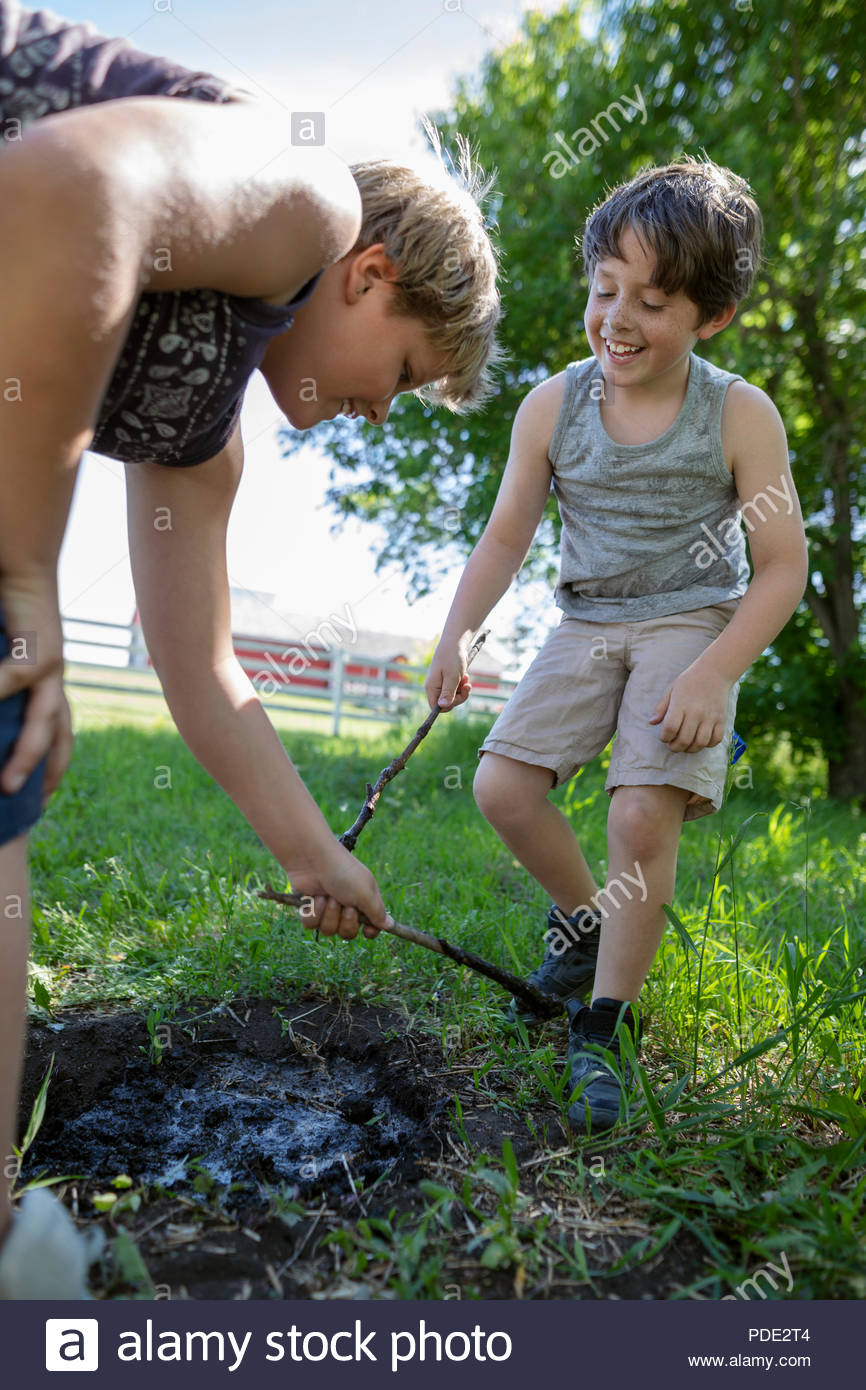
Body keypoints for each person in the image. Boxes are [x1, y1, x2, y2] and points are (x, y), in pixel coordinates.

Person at [0, 2, 502, 1297]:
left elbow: (198, 665)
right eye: (398, 373)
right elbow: (70, 188)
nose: (376, 413)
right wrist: (23, 569)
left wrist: (315, 851)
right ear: (370, 275)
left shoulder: (200, 429)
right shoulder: (306, 199)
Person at [426, 157, 808, 1136]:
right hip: (584, 621)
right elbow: (507, 532)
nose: (617, 319)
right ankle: (584, 918)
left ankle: (599, 1019)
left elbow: (777, 569)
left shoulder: (736, 414)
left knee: (641, 813)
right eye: (604, 290)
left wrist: (714, 671)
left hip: (688, 622)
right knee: (500, 787)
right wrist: (455, 629)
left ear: (709, 317)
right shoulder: (552, 407)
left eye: (652, 299)